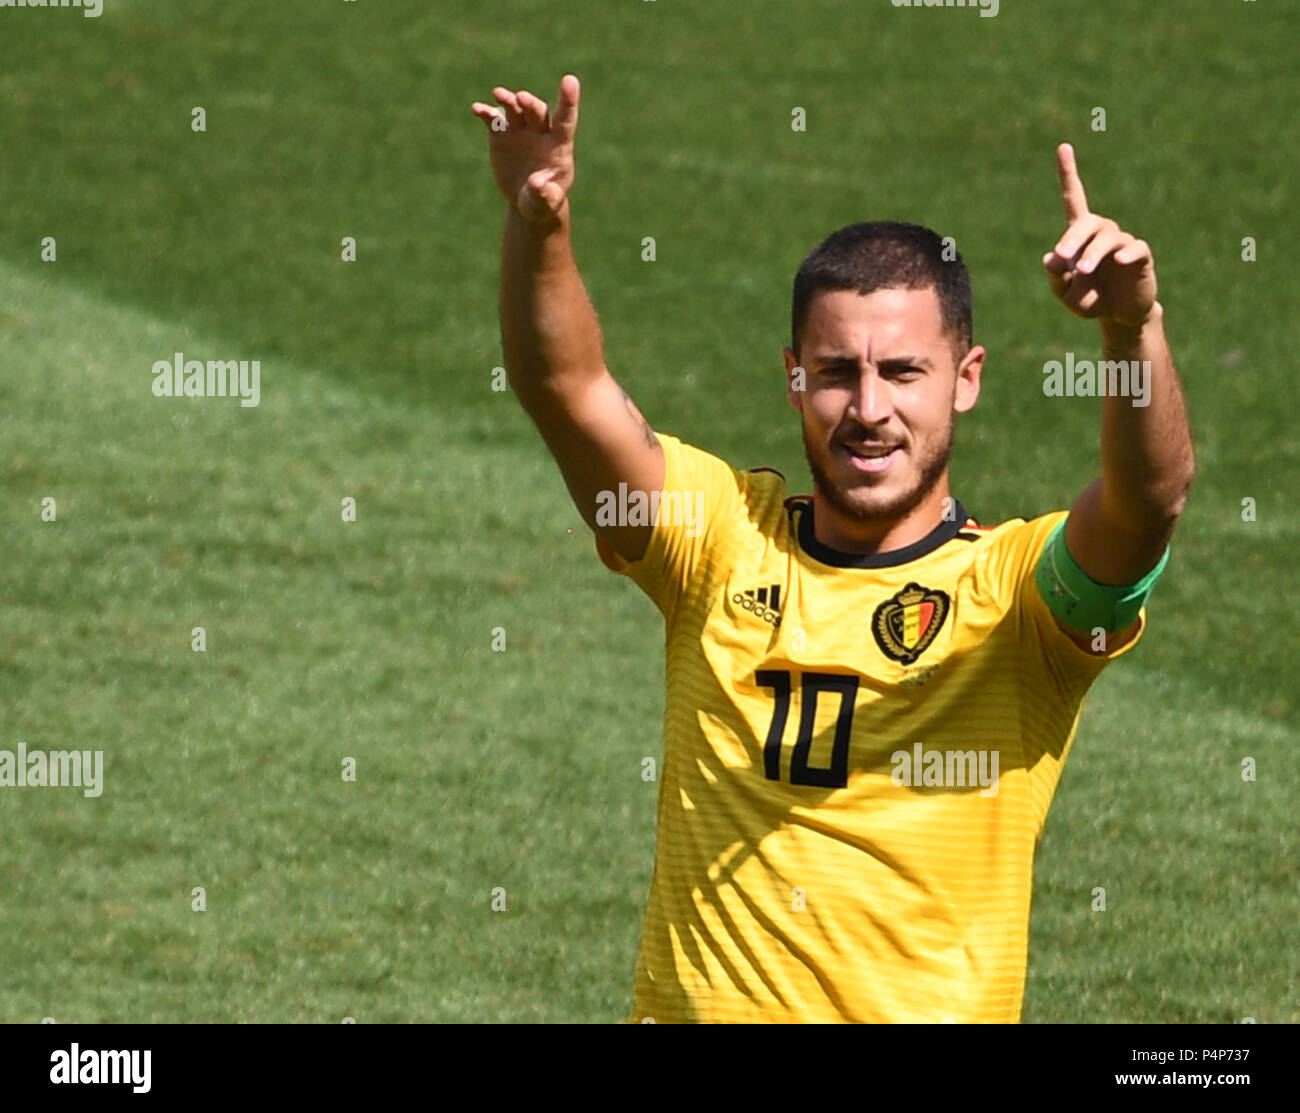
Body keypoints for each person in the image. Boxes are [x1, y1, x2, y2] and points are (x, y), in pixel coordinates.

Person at [471, 74, 1194, 1023]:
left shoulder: (1016, 598)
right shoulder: (719, 538)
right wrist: (538, 221)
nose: (868, 409)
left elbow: (1148, 504)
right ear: (792, 377)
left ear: (965, 380)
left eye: (903, 371)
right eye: (836, 373)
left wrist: (1131, 327)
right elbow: (566, 389)